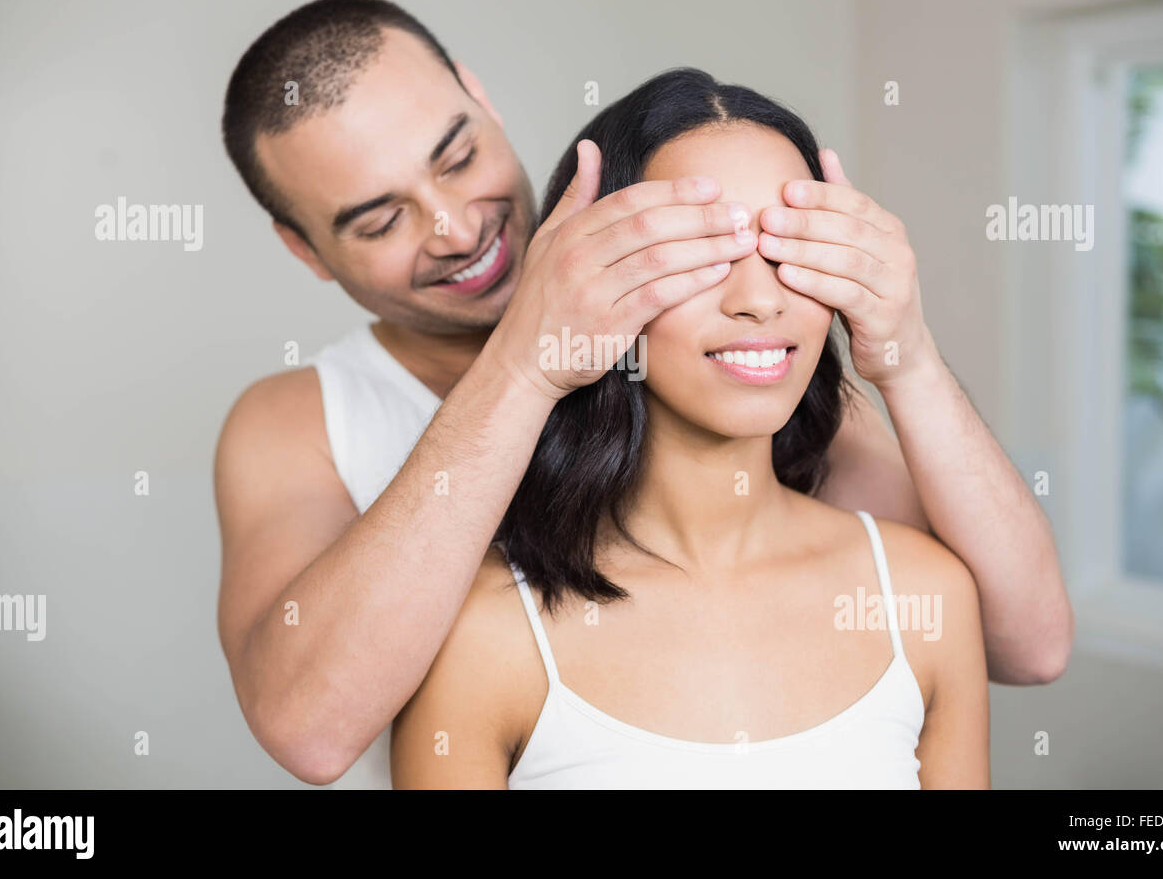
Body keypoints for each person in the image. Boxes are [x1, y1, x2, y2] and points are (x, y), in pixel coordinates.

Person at [214, 0, 1065, 788]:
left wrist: (908, 355)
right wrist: (525, 362)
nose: (456, 229)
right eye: (380, 220)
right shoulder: (298, 423)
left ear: (480, 97)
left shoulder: (743, 353)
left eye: (459, 155)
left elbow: (1025, 642)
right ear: (306, 250)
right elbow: (310, 730)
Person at [391, 69, 990, 788]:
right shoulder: (481, 634)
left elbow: (1043, 645)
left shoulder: (926, 596)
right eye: (706, 252)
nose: (760, 300)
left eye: (790, 247)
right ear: (590, 285)